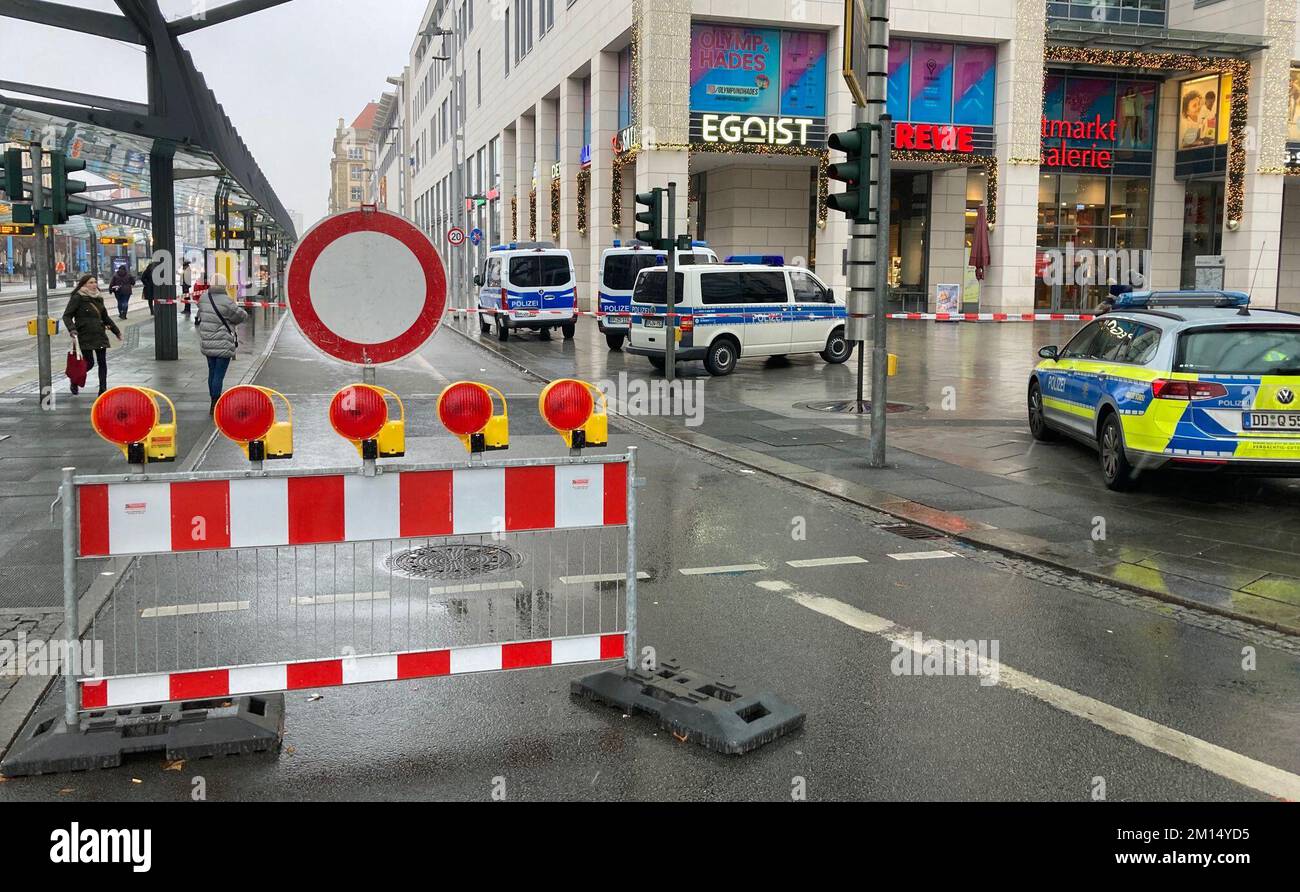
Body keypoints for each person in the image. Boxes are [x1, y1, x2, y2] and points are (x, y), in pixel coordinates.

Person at [62, 274, 122, 396]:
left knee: (102, 363)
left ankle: (102, 390)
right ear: (84, 284)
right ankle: (75, 380)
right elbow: (67, 316)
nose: (94, 285)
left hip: (99, 334)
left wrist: (116, 331)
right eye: (90, 282)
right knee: (89, 363)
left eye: (95, 282)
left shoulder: (98, 298)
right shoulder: (78, 297)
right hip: (84, 335)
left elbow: (105, 317)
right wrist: (72, 330)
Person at [196, 274, 247, 415]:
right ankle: (215, 404)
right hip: (223, 342)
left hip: (207, 342)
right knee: (219, 374)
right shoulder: (227, 301)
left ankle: (213, 399)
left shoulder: (204, 298)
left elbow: (201, 314)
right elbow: (242, 316)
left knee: (212, 373)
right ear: (224, 285)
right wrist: (231, 322)